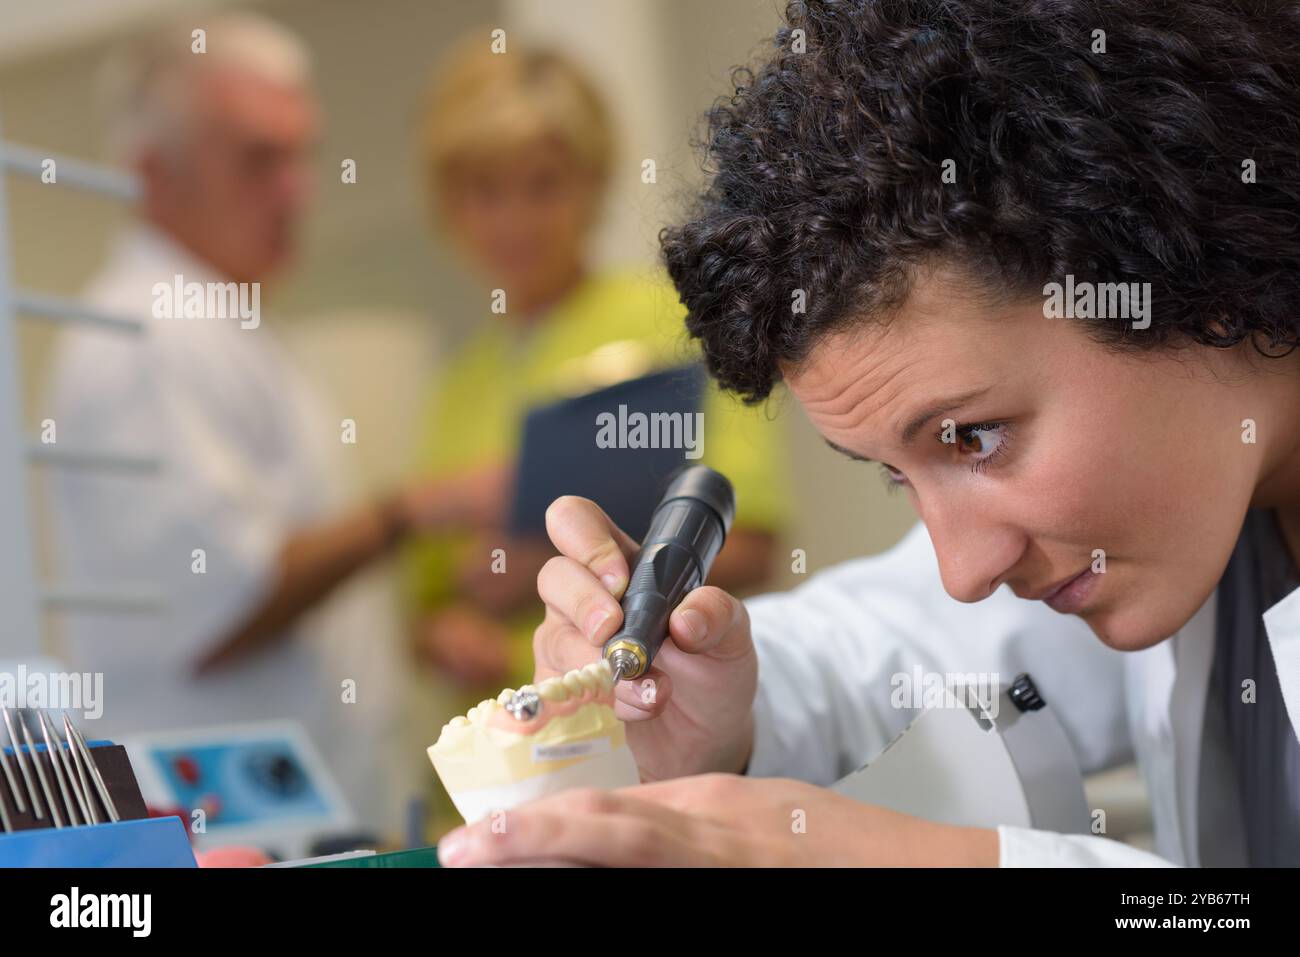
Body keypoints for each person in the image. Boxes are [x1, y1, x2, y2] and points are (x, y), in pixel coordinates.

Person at [434, 0, 1300, 866]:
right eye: (896, 475)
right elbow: (899, 641)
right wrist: (711, 699)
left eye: (974, 438)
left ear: (1187, 261)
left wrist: (944, 860)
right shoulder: (1180, 507)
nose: (964, 572)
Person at [45, 13, 485, 836]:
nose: (298, 189)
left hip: (299, 821)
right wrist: (407, 513)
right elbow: (223, 604)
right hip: (221, 832)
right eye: (259, 158)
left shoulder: (226, 323)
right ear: (151, 172)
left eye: (301, 154)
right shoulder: (142, 332)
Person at [402, 40, 790, 695]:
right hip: (498, 753)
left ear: (594, 181)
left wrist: (541, 569)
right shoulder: (457, 384)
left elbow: (751, 544)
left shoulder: (669, 318)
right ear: (448, 202)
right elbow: (424, 607)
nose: (514, 218)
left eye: (543, 184)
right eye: (485, 190)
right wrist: (445, 632)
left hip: (642, 719)